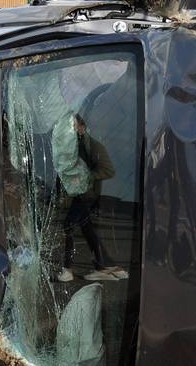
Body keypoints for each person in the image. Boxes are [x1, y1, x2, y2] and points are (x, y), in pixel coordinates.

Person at [58, 113, 127, 282]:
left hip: (87, 196)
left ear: (83, 127)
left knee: (69, 225)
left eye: (75, 126)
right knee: (88, 230)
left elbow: (109, 171)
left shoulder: (94, 147)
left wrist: (86, 176)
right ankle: (106, 267)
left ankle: (67, 270)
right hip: (80, 194)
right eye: (70, 127)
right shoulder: (76, 145)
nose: (72, 130)